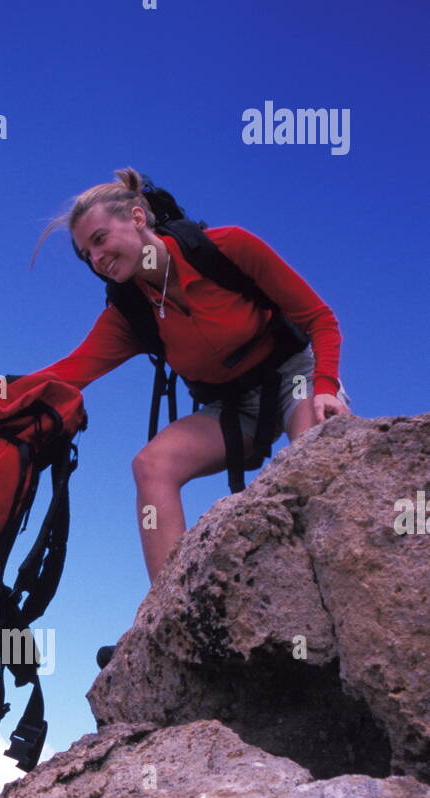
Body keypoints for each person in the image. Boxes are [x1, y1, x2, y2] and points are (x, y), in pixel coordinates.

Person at [29, 168, 351, 663]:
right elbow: (65, 374)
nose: (95, 258)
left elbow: (320, 319)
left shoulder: (227, 248)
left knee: (311, 453)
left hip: (294, 378)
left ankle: (337, 597)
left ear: (138, 218)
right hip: (232, 409)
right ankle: (170, 616)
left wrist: (326, 387)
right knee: (150, 465)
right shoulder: (131, 312)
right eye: (85, 254)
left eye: (99, 239)